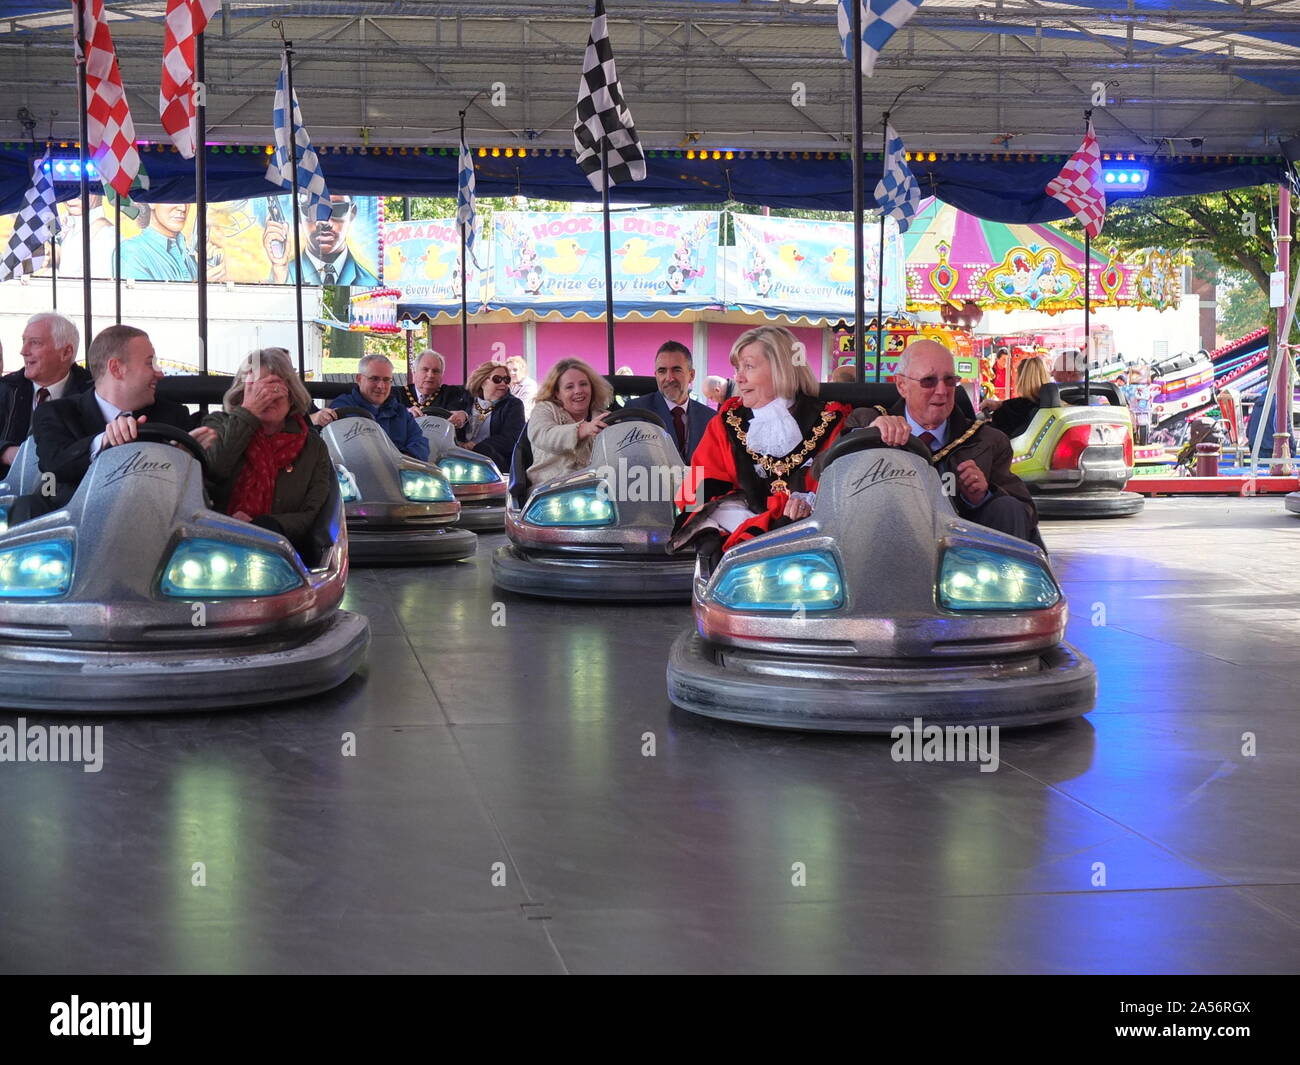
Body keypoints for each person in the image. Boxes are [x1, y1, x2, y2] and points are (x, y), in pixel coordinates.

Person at [669, 325, 853, 563]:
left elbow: (843, 492)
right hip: (737, 555)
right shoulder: (725, 423)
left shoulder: (831, 420)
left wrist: (810, 502)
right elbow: (696, 489)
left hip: (811, 552)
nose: (738, 377)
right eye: (737, 368)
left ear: (782, 369)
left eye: (749, 366)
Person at [834, 338, 1041, 545]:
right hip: (879, 548)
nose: (942, 391)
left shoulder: (987, 440)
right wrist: (867, 438)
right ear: (902, 385)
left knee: (1007, 507)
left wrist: (983, 496)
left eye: (950, 380)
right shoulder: (867, 422)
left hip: (964, 558)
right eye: (929, 381)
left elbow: (1025, 514)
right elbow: (821, 474)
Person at [9, 325, 211, 523]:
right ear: (116, 368)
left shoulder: (173, 415)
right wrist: (103, 441)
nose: (160, 373)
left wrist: (180, 459)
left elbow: (199, 489)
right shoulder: (56, 413)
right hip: (73, 529)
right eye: (150, 363)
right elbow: (55, 465)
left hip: (151, 531)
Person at [201, 348, 334, 557]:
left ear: (291, 394)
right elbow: (215, 469)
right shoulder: (217, 425)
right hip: (215, 546)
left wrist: (265, 526)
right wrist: (248, 412)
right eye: (256, 388)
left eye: (274, 386)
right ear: (241, 393)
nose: (265, 395)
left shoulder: (313, 447)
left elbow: (313, 512)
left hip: (286, 554)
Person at [0, 313, 94, 478]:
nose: (23, 351)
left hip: (69, 494)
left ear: (66, 352)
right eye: (24, 341)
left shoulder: (93, 392)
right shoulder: (6, 388)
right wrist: (5, 451)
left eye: (34, 342)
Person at [525, 358, 613, 489]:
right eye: (569, 387)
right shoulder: (544, 409)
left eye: (583, 384)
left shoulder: (605, 417)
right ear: (557, 393)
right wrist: (582, 430)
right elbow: (543, 435)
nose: (578, 390)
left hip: (597, 491)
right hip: (550, 491)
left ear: (592, 388)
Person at [623, 341, 716, 460]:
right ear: (656, 375)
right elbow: (632, 461)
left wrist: (691, 479)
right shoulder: (636, 412)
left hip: (700, 478)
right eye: (662, 371)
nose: (669, 378)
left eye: (676, 370)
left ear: (691, 375)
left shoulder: (710, 419)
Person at [327, 354, 429, 460]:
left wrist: (404, 459)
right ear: (359, 379)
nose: (381, 386)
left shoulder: (401, 412)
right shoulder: (343, 409)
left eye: (386, 380)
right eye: (374, 379)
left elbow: (421, 445)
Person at [264, 194, 378, 286]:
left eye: (336, 209)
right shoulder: (282, 273)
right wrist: (279, 267)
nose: (323, 222)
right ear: (298, 215)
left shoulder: (370, 283)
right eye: (311, 210)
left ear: (352, 213)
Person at [459, 361, 525, 468]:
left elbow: (511, 439)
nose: (503, 384)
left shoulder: (513, 405)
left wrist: (477, 447)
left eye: (506, 380)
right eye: (497, 379)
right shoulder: (465, 400)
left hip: (493, 463)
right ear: (482, 381)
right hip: (459, 458)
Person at [397, 349, 470, 428]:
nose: (430, 375)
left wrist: (464, 415)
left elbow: (471, 407)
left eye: (436, 371)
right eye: (425, 370)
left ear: (441, 375)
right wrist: (405, 412)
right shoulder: (396, 394)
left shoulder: (453, 393)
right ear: (414, 373)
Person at [981, 355, 1049, 439]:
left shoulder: (1009, 411)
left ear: (1021, 379)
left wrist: (988, 422)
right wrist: (1000, 404)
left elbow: (991, 437)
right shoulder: (1050, 406)